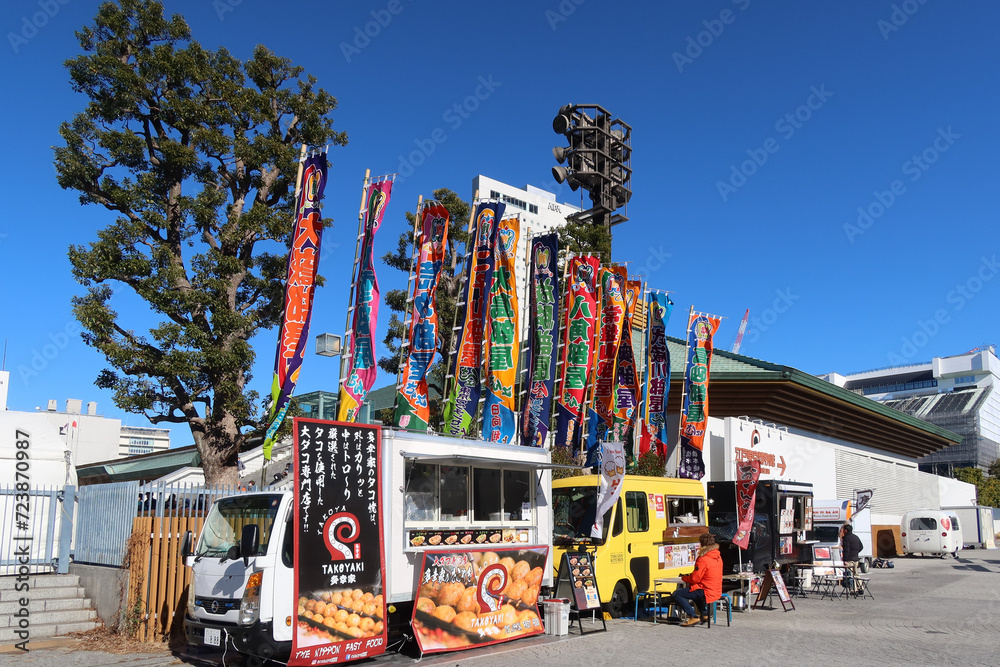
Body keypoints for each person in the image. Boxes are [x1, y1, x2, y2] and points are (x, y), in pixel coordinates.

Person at [667, 533, 723, 626]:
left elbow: (694, 578)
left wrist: (684, 578)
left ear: (702, 544)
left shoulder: (703, 558)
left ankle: (693, 616)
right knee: (694, 591)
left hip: (706, 590)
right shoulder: (718, 557)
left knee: (677, 594)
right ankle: (704, 614)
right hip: (715, 589)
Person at [841, 523, 863, 593]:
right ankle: (860, 587)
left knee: (850, 575)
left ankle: (853, 589)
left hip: (849, 560)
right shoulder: (856, 537)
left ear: (846, 530)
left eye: (844, 530)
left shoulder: (846, 538)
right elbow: (861, 547)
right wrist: (856, 552)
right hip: (856, 559)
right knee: (856, 574)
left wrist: (845, 559)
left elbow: (846, 550)